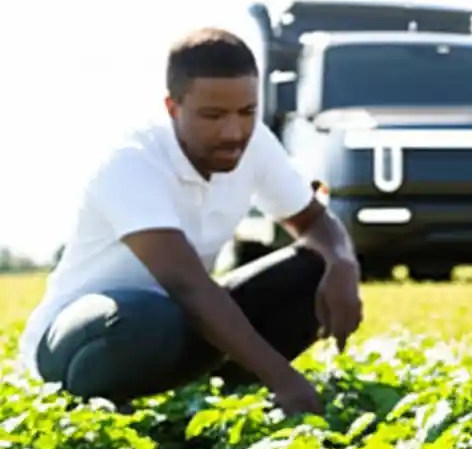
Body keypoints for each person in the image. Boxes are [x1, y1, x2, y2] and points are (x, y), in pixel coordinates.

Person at [18, 28, 363, 415]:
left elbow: (314, 220)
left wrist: (342, 264)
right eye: (212, 116)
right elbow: (188, 286)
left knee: (311, 268)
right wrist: (285, 380)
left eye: (247, 112)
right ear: (173, 108)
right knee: (147, 317)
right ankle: (103, 408)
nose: (234, 132)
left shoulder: (255, 144)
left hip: (177, 322)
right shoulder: (133, 162)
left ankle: (224, 396)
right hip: (81, 341)